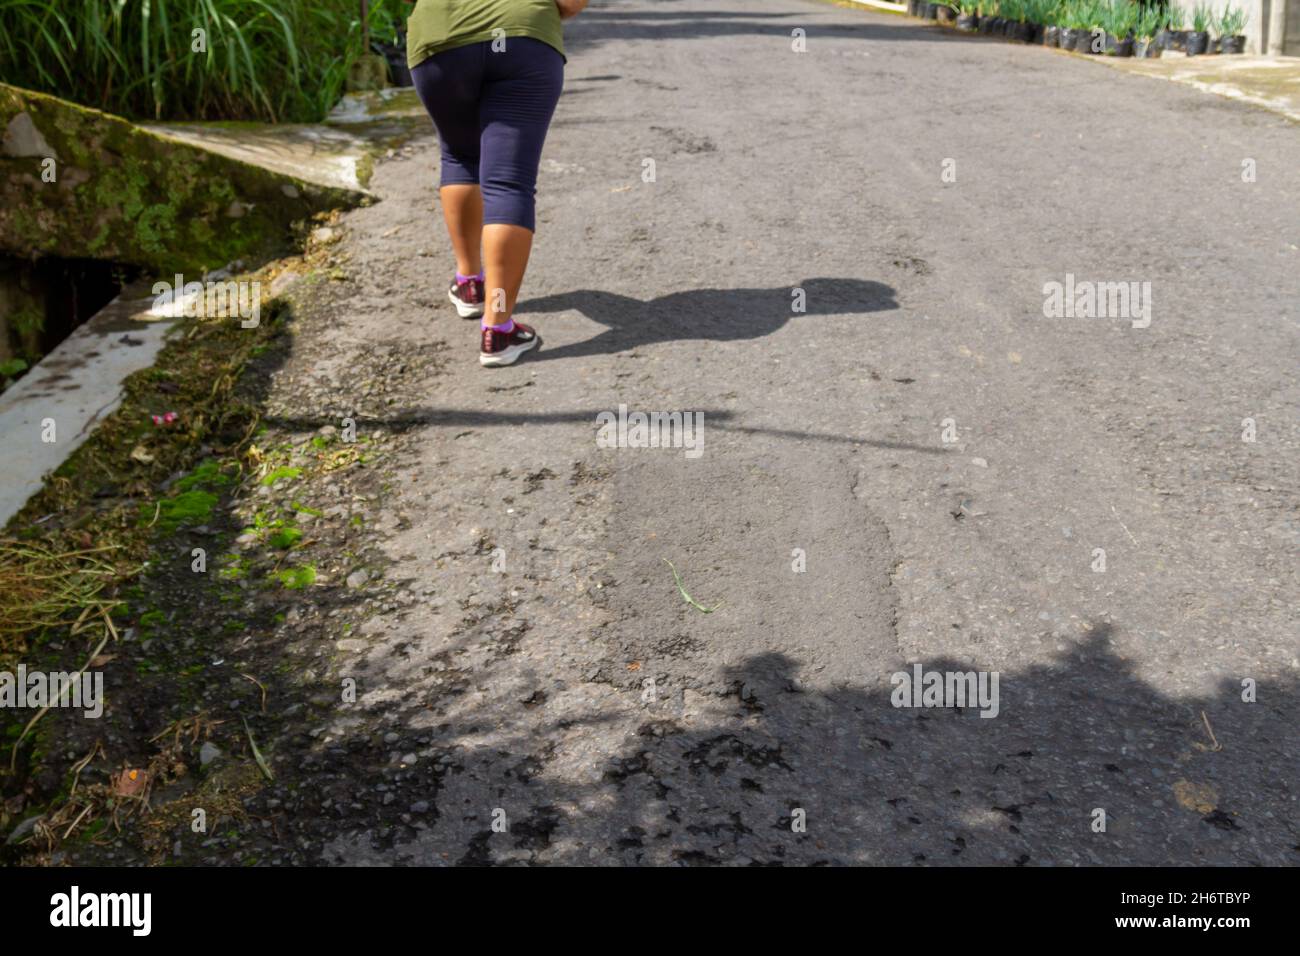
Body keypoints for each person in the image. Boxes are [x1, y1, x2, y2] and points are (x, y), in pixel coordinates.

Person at [403, 0, 589, 366]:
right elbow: (571, 2)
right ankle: (498, 329)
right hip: (523, 37)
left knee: (459, 156)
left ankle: (471, 284)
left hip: (442, 37)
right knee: (509, 184)